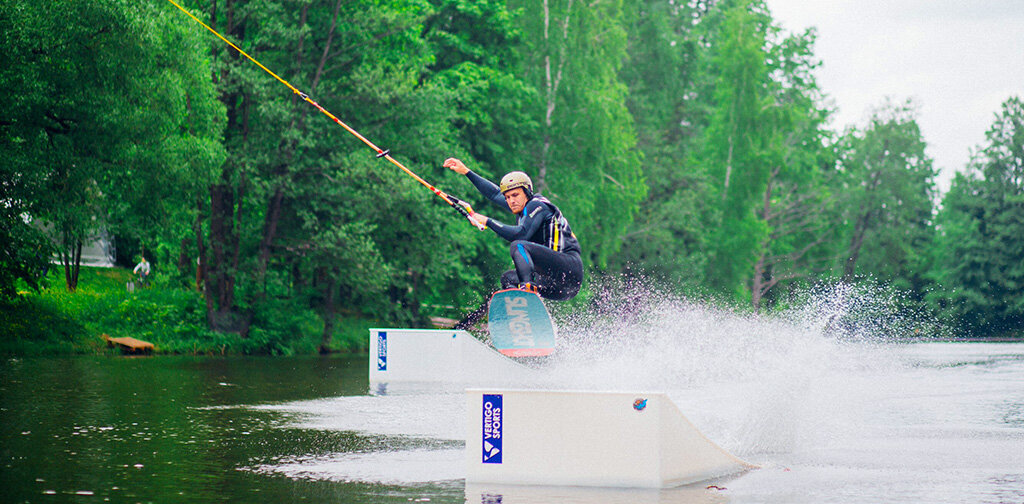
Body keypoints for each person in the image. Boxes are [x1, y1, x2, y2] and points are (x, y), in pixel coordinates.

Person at [444, 157, 584, 329]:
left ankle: (527, 289)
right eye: (508, 197)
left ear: (527, 193)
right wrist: (466, 171)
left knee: (519, 245)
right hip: (556, 286)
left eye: (515, 195)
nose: (511, 201)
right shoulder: (520, 206)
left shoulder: (537, 206)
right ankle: (528, 322)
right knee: (508, 280)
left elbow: (521, 234)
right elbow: (494, 194)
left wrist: (487, 221)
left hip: (569, 270)